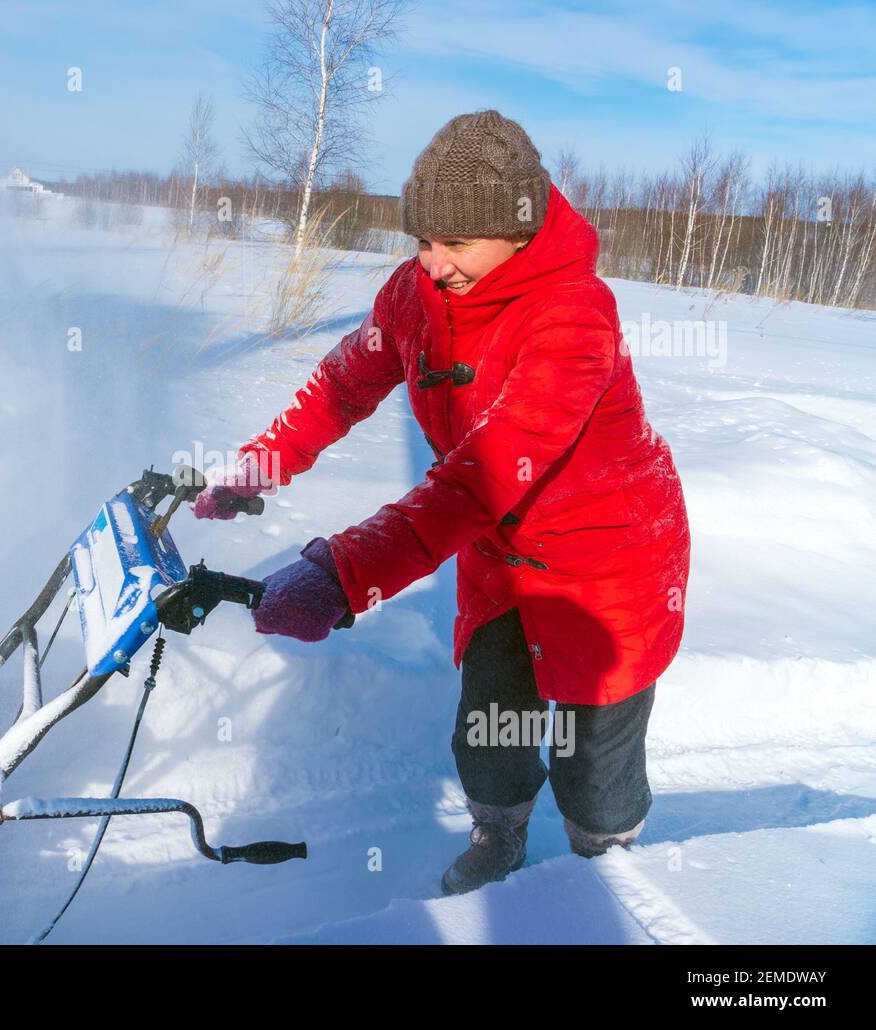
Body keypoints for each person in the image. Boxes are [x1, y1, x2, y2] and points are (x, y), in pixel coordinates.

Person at [193, 110, 691, 896]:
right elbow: (342, 384)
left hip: (611, 561)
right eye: (423, 239)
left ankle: (606, 862)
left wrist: (342, 573)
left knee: (595, 758)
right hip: (500, 556)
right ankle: (499, 832)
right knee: (489, 728)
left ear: (517, 229)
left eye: (455, 243)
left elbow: (479, 479)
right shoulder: (416, 292)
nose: (433, 263)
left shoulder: (574, 316)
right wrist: (256, 468)